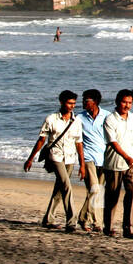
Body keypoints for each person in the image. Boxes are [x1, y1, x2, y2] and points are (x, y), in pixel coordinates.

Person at [24, 90, 86, 233]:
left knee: (59, 189)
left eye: (74, 104)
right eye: (69, 103)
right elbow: (41, 140)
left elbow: (79, 143)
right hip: (55, 156)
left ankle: (48, 219)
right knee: (66, 186)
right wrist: (30, 158)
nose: (72, 106)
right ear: (61, 102)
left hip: (70, 158)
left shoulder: (76, 121)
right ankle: (71, 221)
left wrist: (82, 165)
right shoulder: (51, 119)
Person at [102, 89, 133, 238]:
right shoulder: (110, 119)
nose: (127, 105)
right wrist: (127, 157)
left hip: (132, 163)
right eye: (124, 102)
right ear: (118, 101)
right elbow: (113, 143)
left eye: (130, 102)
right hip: (114, 163)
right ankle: (108, 226)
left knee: (132, 195)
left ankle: (128, 227)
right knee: (112, 196)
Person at [76, 89, 108, 233]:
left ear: (94, 102)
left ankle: (88, 219)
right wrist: (81, 163)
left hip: (104, 158)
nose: (83, 103)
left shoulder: (107, 116)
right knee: (95, 189)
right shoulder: (79, 118)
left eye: (86, 100)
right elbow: (78, 141)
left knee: (98, 191)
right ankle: (91, 220)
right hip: (88, 157)